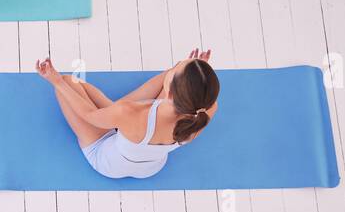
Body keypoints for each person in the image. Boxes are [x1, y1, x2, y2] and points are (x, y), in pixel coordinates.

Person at [36, 49, 219, 179]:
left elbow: (89, 115)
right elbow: (183, 90)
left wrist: (57, 81)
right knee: (119, 113)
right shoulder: (205, 111)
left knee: (69, 82)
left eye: (176, 68)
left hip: (108, 160)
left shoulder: (131, 112)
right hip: (150, 167)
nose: (174, 68)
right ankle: (114, 116)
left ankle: (112, 115)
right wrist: (196, 78)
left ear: (169, 91)